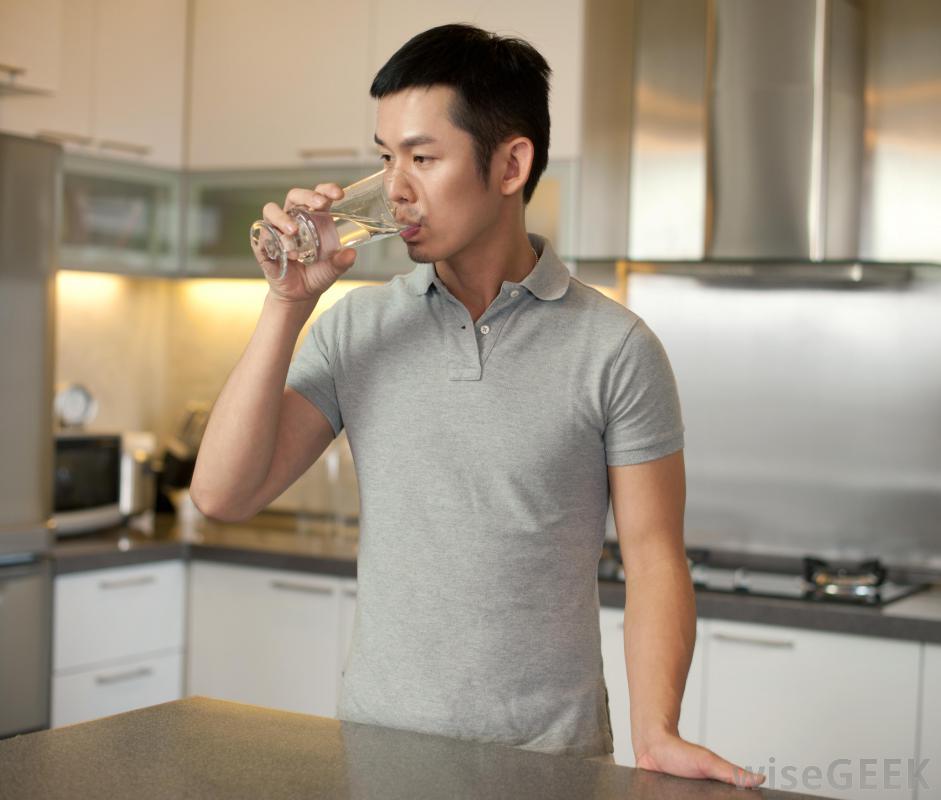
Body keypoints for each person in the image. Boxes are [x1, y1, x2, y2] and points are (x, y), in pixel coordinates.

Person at [190, 23, 765, 789]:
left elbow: (654, 554)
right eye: (385, 156)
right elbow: (223, 495)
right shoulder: (357, 326)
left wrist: (654, 730)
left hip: (550, 766)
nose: (395, 187)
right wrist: (286, 304)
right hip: (382, 756)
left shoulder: (616, 348)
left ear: (510, 164)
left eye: (423, 158)